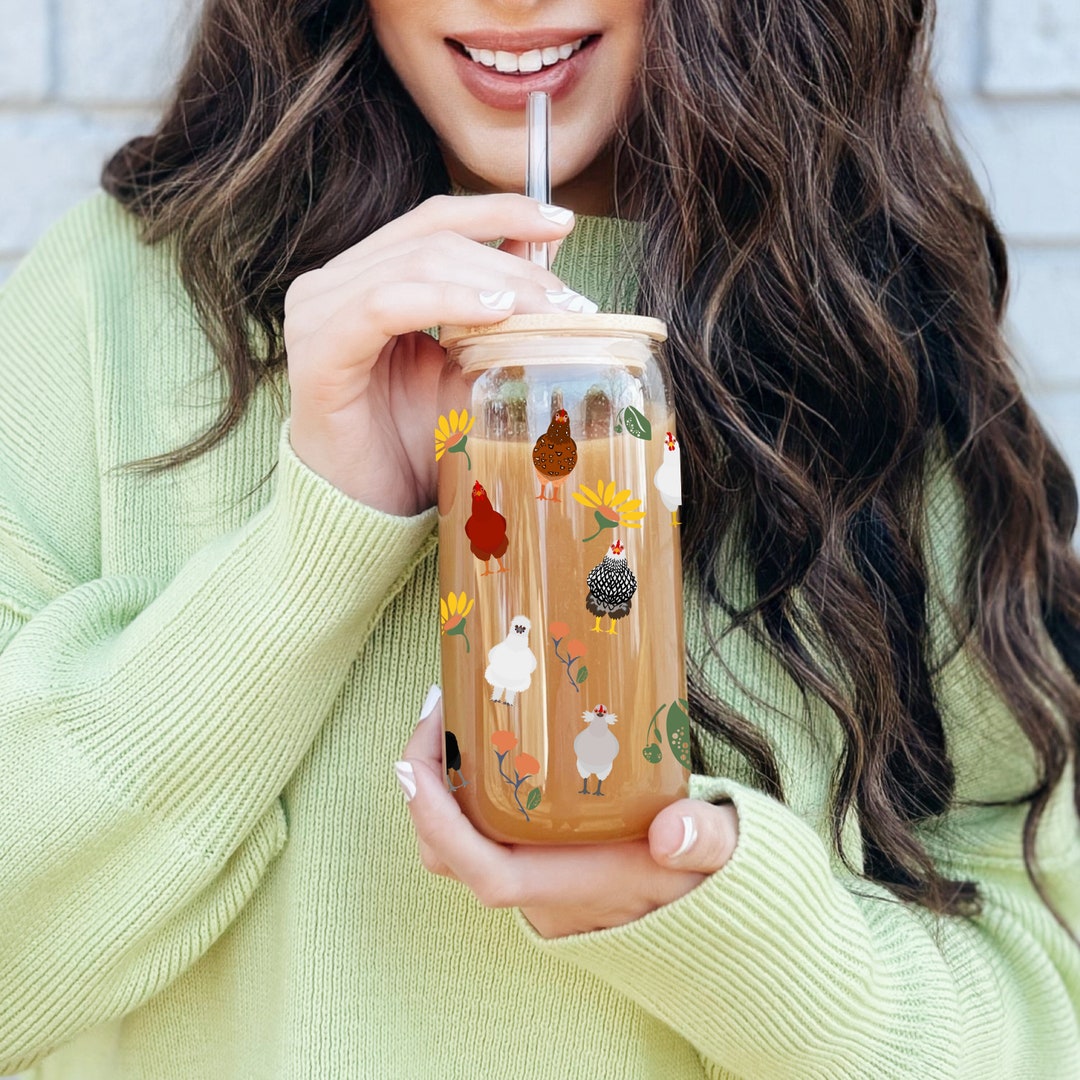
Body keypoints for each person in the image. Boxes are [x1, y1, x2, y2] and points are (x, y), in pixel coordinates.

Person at [1, 0, 1078, 1076]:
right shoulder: (117, 301)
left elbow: (1047, 1014)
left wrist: (730, 928)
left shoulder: (865, 346)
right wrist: (320, 536)